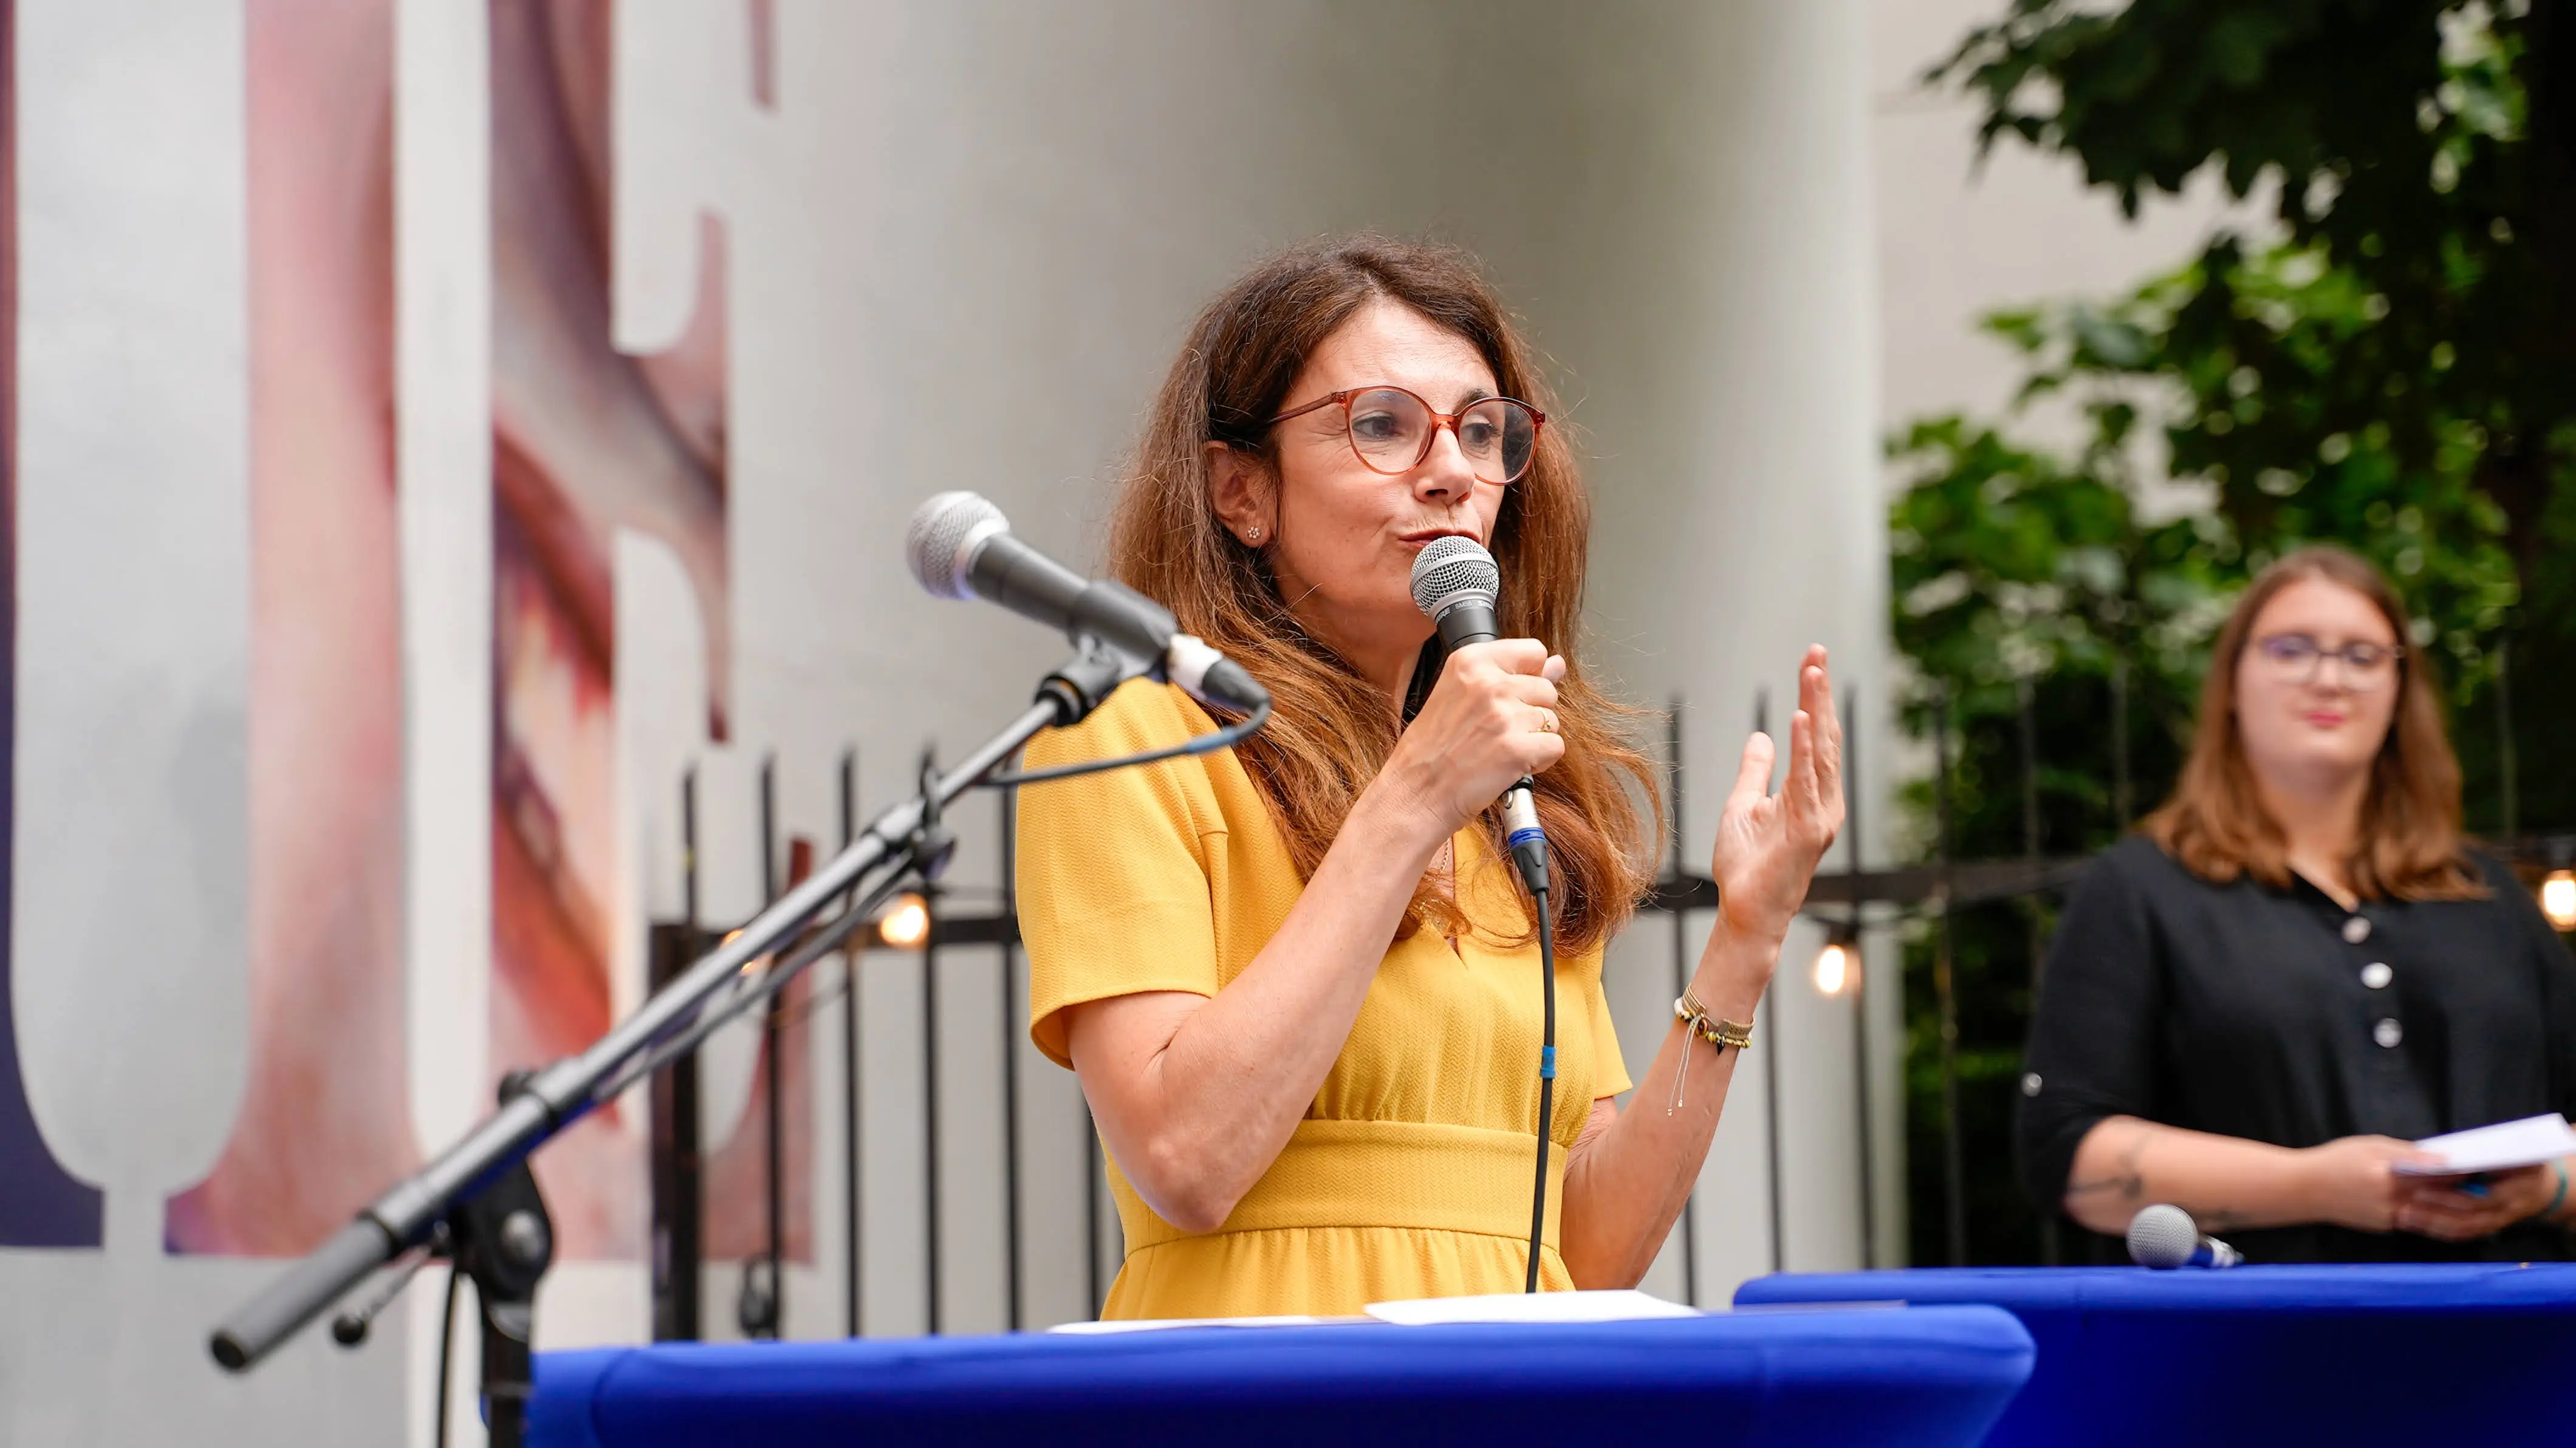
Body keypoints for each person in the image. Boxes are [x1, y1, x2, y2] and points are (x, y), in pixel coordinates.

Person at [1012, 236, 1845, 1318]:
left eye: (1483, 429)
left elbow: (1587, 1250)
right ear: (1239, 490)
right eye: (1383, 423)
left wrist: (1748, 937)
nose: (1451, 468)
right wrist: (1411, 796)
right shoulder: (1133, 738)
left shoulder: (1513, 802)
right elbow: (1185, 1155)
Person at [2019, 545, 2576, 1262]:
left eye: (2363, 656)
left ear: (2401, 689)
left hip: (2509, 1341)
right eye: (2291, 649)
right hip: (2253, 1344)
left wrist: (2549, 1187)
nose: (2328, 677)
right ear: (2230, 683)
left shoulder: (2486, 893)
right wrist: (2311, 1184)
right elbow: (2064, 1150)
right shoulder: (2138, 890)